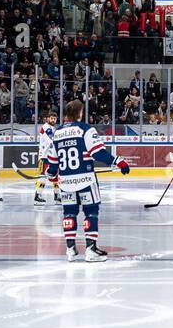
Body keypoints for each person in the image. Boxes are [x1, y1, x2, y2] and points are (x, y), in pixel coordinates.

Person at [44, 99, 130, 263]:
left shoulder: (57, 133)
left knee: (69, 213)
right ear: (79, 113)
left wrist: (52, 174)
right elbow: (99, 154)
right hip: (86, 180)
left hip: (66, 183)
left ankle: (70, 249)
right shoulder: (86, 130)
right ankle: (90, 250)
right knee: (91, 212)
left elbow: (53, 161)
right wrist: (118, 161)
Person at [34, 110, 58, 204]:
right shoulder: (45, 127)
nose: (53, 120)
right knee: (42, 177)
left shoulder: (54, 129)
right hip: (44, 157)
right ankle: (37, 196)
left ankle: (57, 196)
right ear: (48, 118)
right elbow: (51, 140)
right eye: (52, 118)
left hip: (52, 157)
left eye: (55, 118)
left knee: (55, 177)